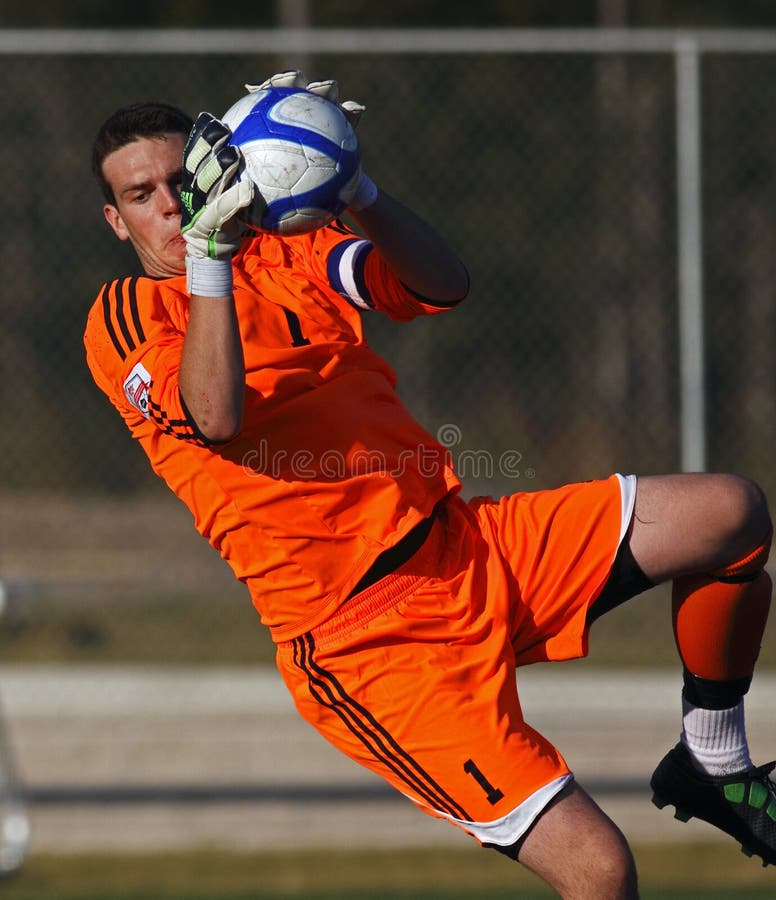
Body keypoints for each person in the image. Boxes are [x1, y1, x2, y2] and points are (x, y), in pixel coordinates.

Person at [84, 71, 775, 898]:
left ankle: (713, 756)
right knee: (599, 867)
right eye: (140, 194)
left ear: (212, 171)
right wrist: (210, 259)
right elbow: (217, 415)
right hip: (368, 642)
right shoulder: (128, 316)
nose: (167, 204)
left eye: (177, 180)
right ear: (115, 221)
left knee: (730, 514)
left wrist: (357, 184)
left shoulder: (287, 248)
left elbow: (439, 284)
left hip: (464, 546)